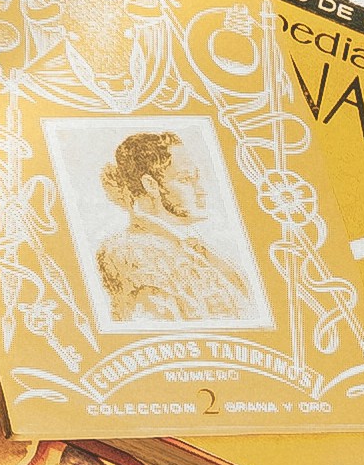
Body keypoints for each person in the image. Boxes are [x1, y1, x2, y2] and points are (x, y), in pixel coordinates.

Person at [91, 130, 259, 327]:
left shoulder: (194, 245)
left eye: (196, 178)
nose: (201, 191)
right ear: (150, 185)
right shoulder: (129, 252)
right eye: (185, 179)